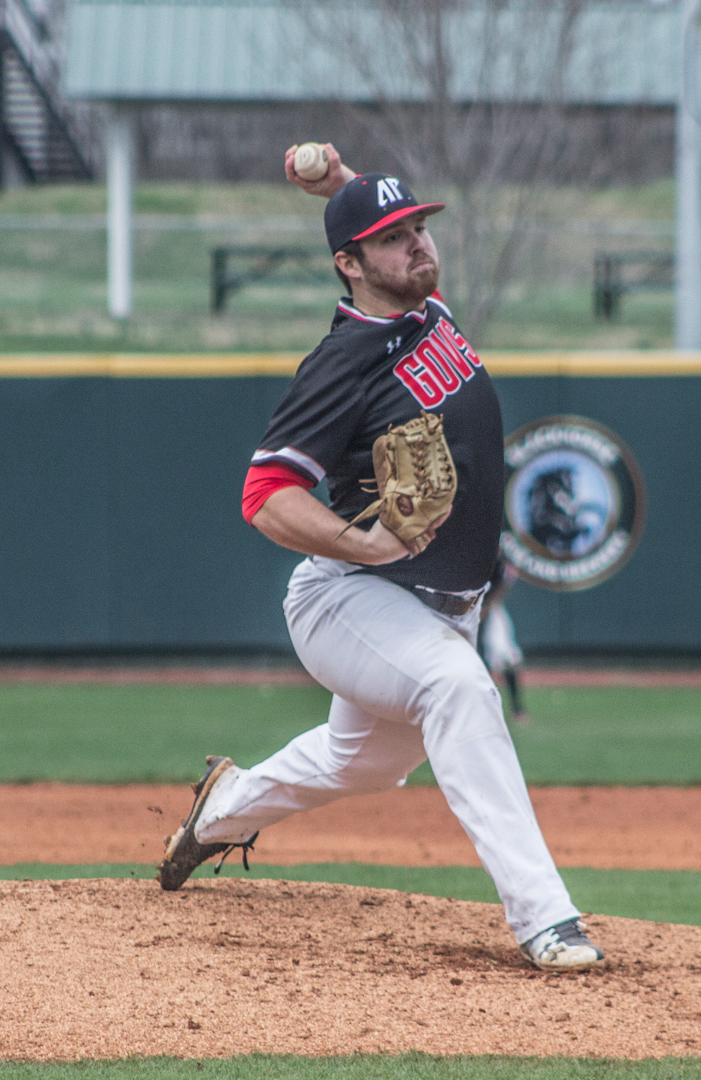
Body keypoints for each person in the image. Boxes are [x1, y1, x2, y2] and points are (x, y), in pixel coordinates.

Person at [156, 145, 604, 972]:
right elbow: (266, 495)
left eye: (419, 228)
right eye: (395, 238)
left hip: (442, 605)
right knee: (460, 688)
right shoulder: (345, 360)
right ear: (350, 265)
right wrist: (358, 541)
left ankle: (219, 809)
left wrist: (340, 186)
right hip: (348, 598)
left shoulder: (426, 314)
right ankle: (546, 918)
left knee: (353, 763)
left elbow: (377, 221)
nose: (419, 245)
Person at [478, 559, 530, 724]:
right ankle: (484, 709)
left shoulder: (499, 561)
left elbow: (506, 579)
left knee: (507, 658)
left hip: (488, 610)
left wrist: (487, 605)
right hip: (467, 610)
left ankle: (517, 709)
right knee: (480, 662)